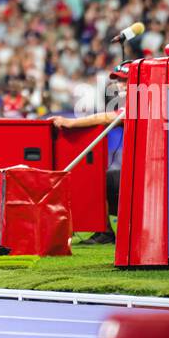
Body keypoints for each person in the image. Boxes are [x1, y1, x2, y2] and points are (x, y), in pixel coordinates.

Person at [50, 74, 125, 245]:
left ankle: (106, 232)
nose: (120, 85)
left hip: (151, 173)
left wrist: (70, 122)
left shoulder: (141, 102)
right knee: (99, 181)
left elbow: (106, 118)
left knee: (99, 183)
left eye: (125, 80)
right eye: (118, 81)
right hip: (144, 170)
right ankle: (106, 231)